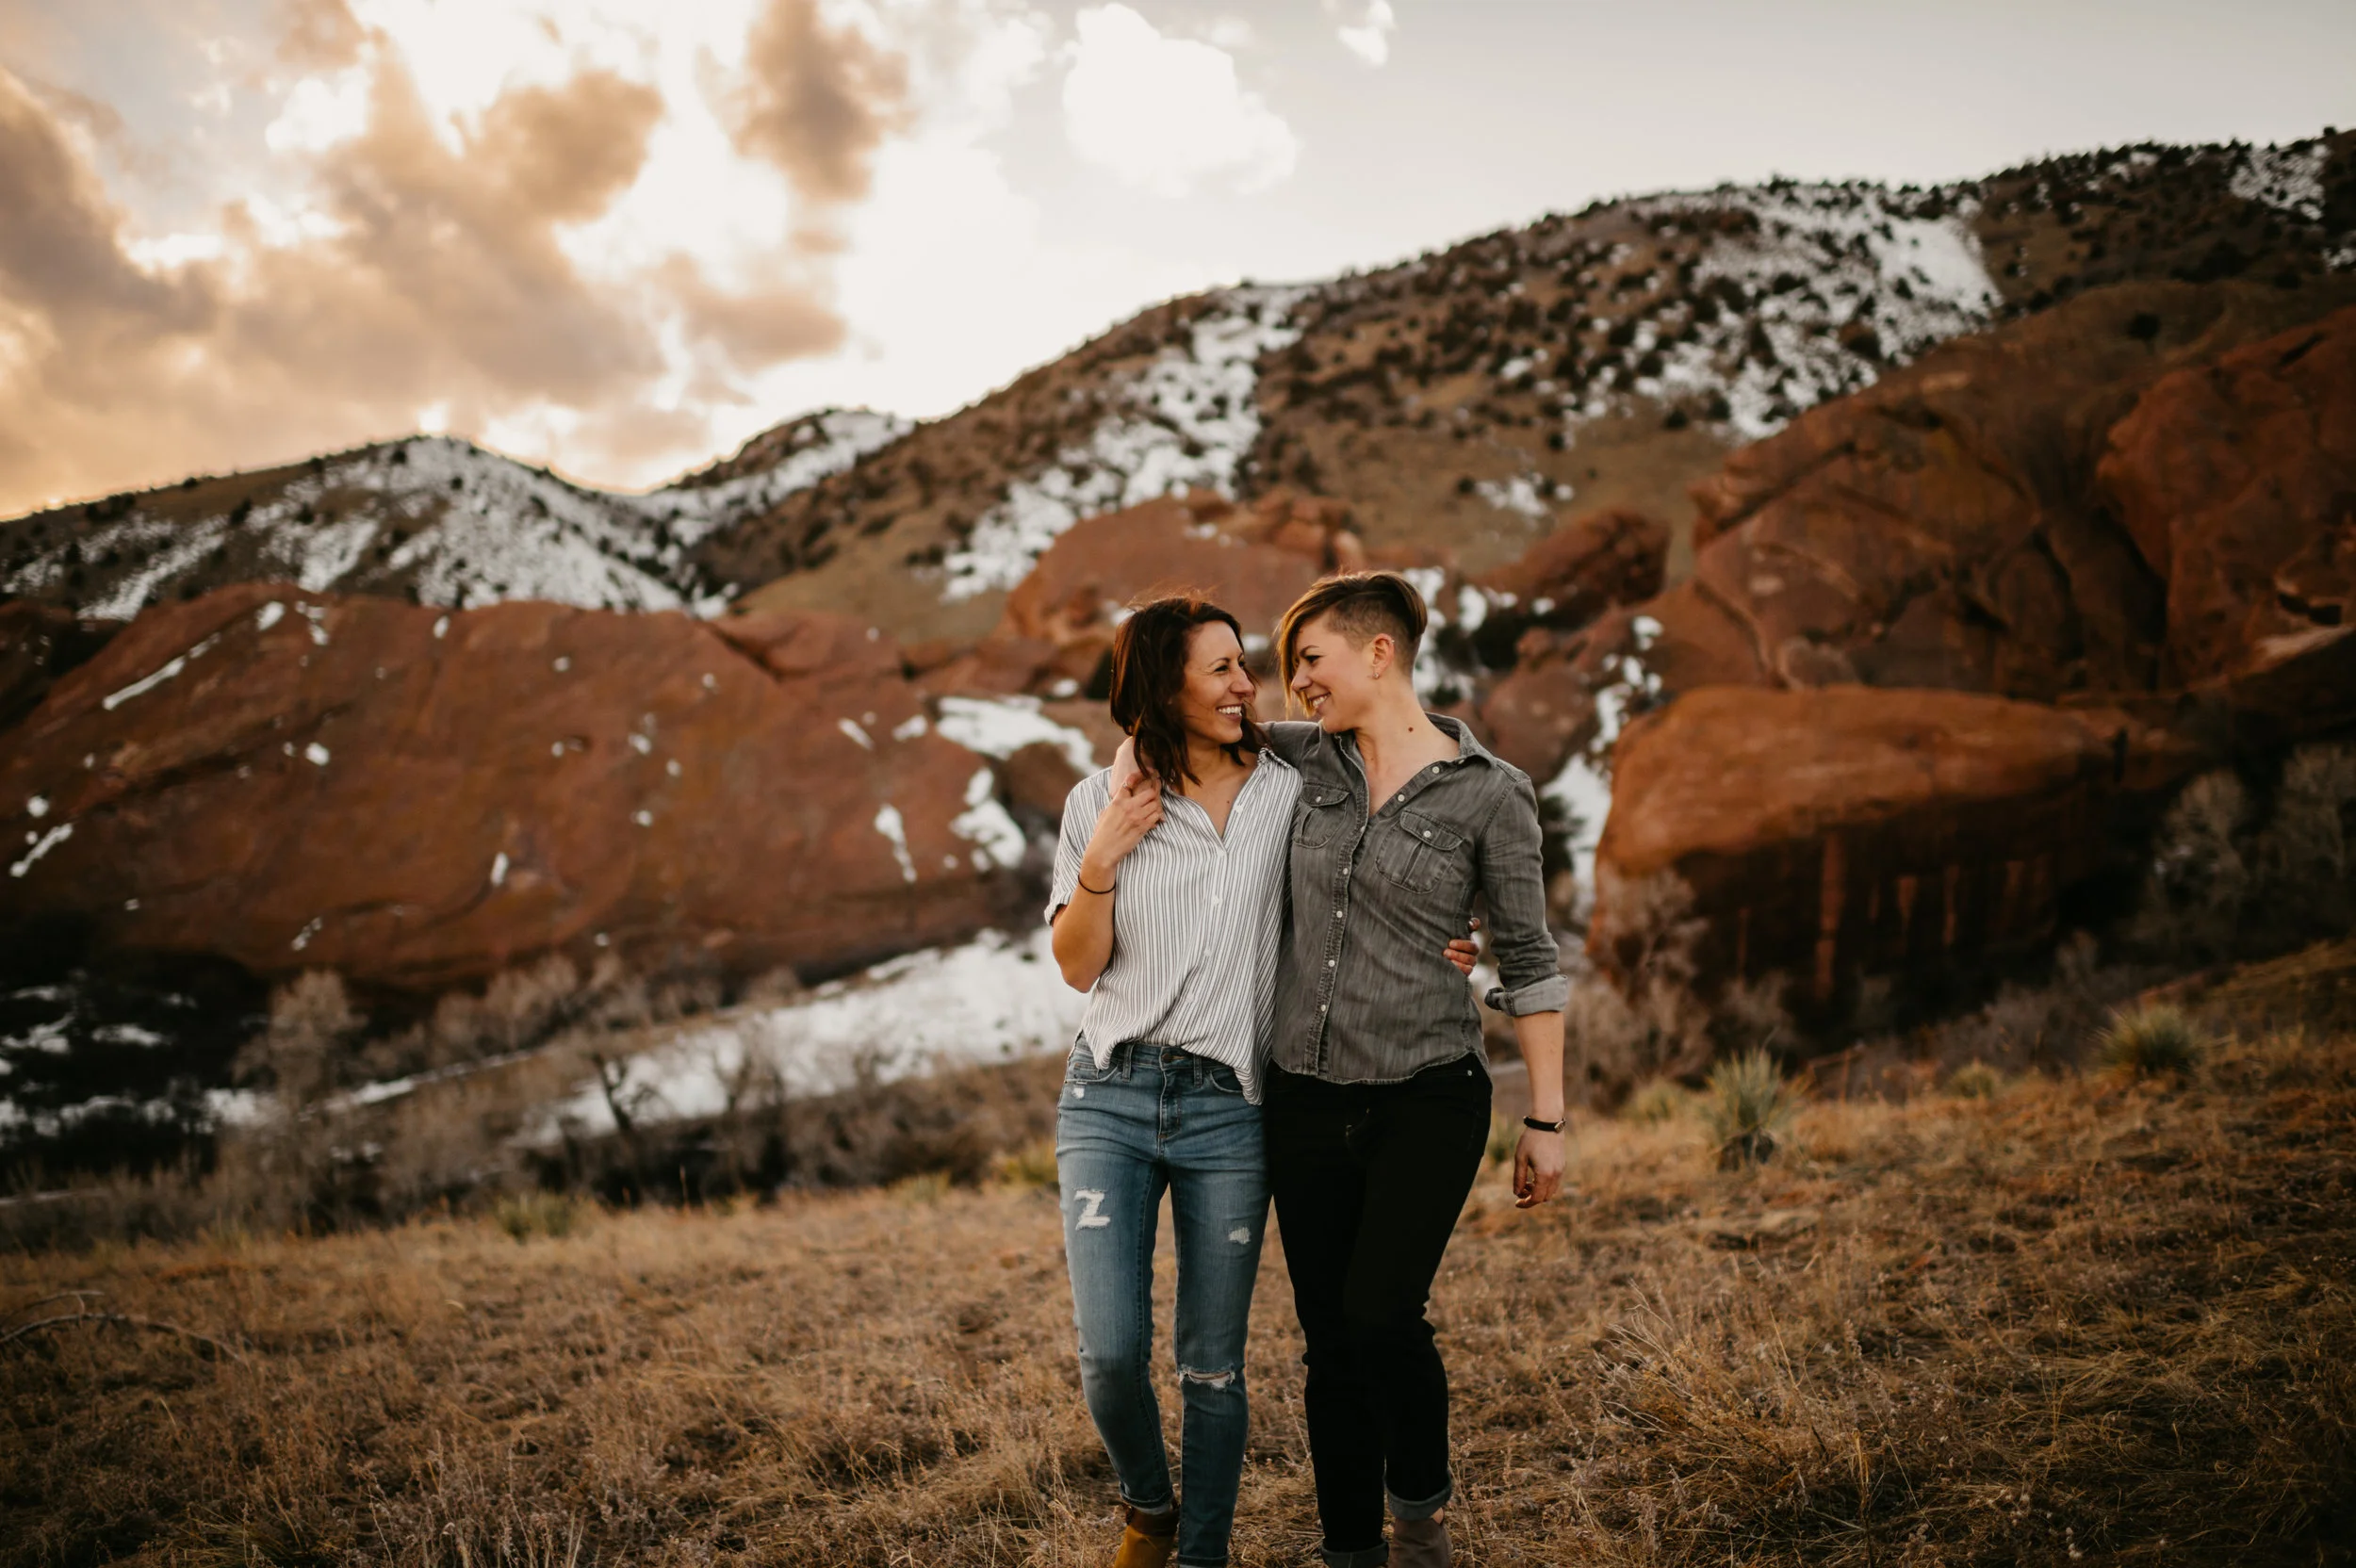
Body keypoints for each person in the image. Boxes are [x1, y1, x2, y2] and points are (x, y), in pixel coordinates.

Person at [1050, 596, 1478, 1568]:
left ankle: (1198, 1555)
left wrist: (1449, 930)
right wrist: (1106, 852)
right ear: (1165, 686)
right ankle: (1147, 1505)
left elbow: (1405, 775)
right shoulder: (1095, 800)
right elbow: (1077, 966)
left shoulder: (1294, 786)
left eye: (1246, 666)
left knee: (1213, 1368)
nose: (1249, 684)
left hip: (1230, 1108)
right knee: (1111, 1354)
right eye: (1222, 669)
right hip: (1109, 1095)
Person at [1263, 570, 1568, 1568]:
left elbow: (1526, 958)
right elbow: (1179, 736)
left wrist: (1546, 1118)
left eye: (1310, 659)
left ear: (1377, 651)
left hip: (1429, 1091)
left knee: (1380, 1311)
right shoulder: (1297, 761)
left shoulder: (1490, 792)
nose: (1295, 682)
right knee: (1326, 1340)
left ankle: (1419, 1516)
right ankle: (1349, 1547)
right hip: (1304, 1091)